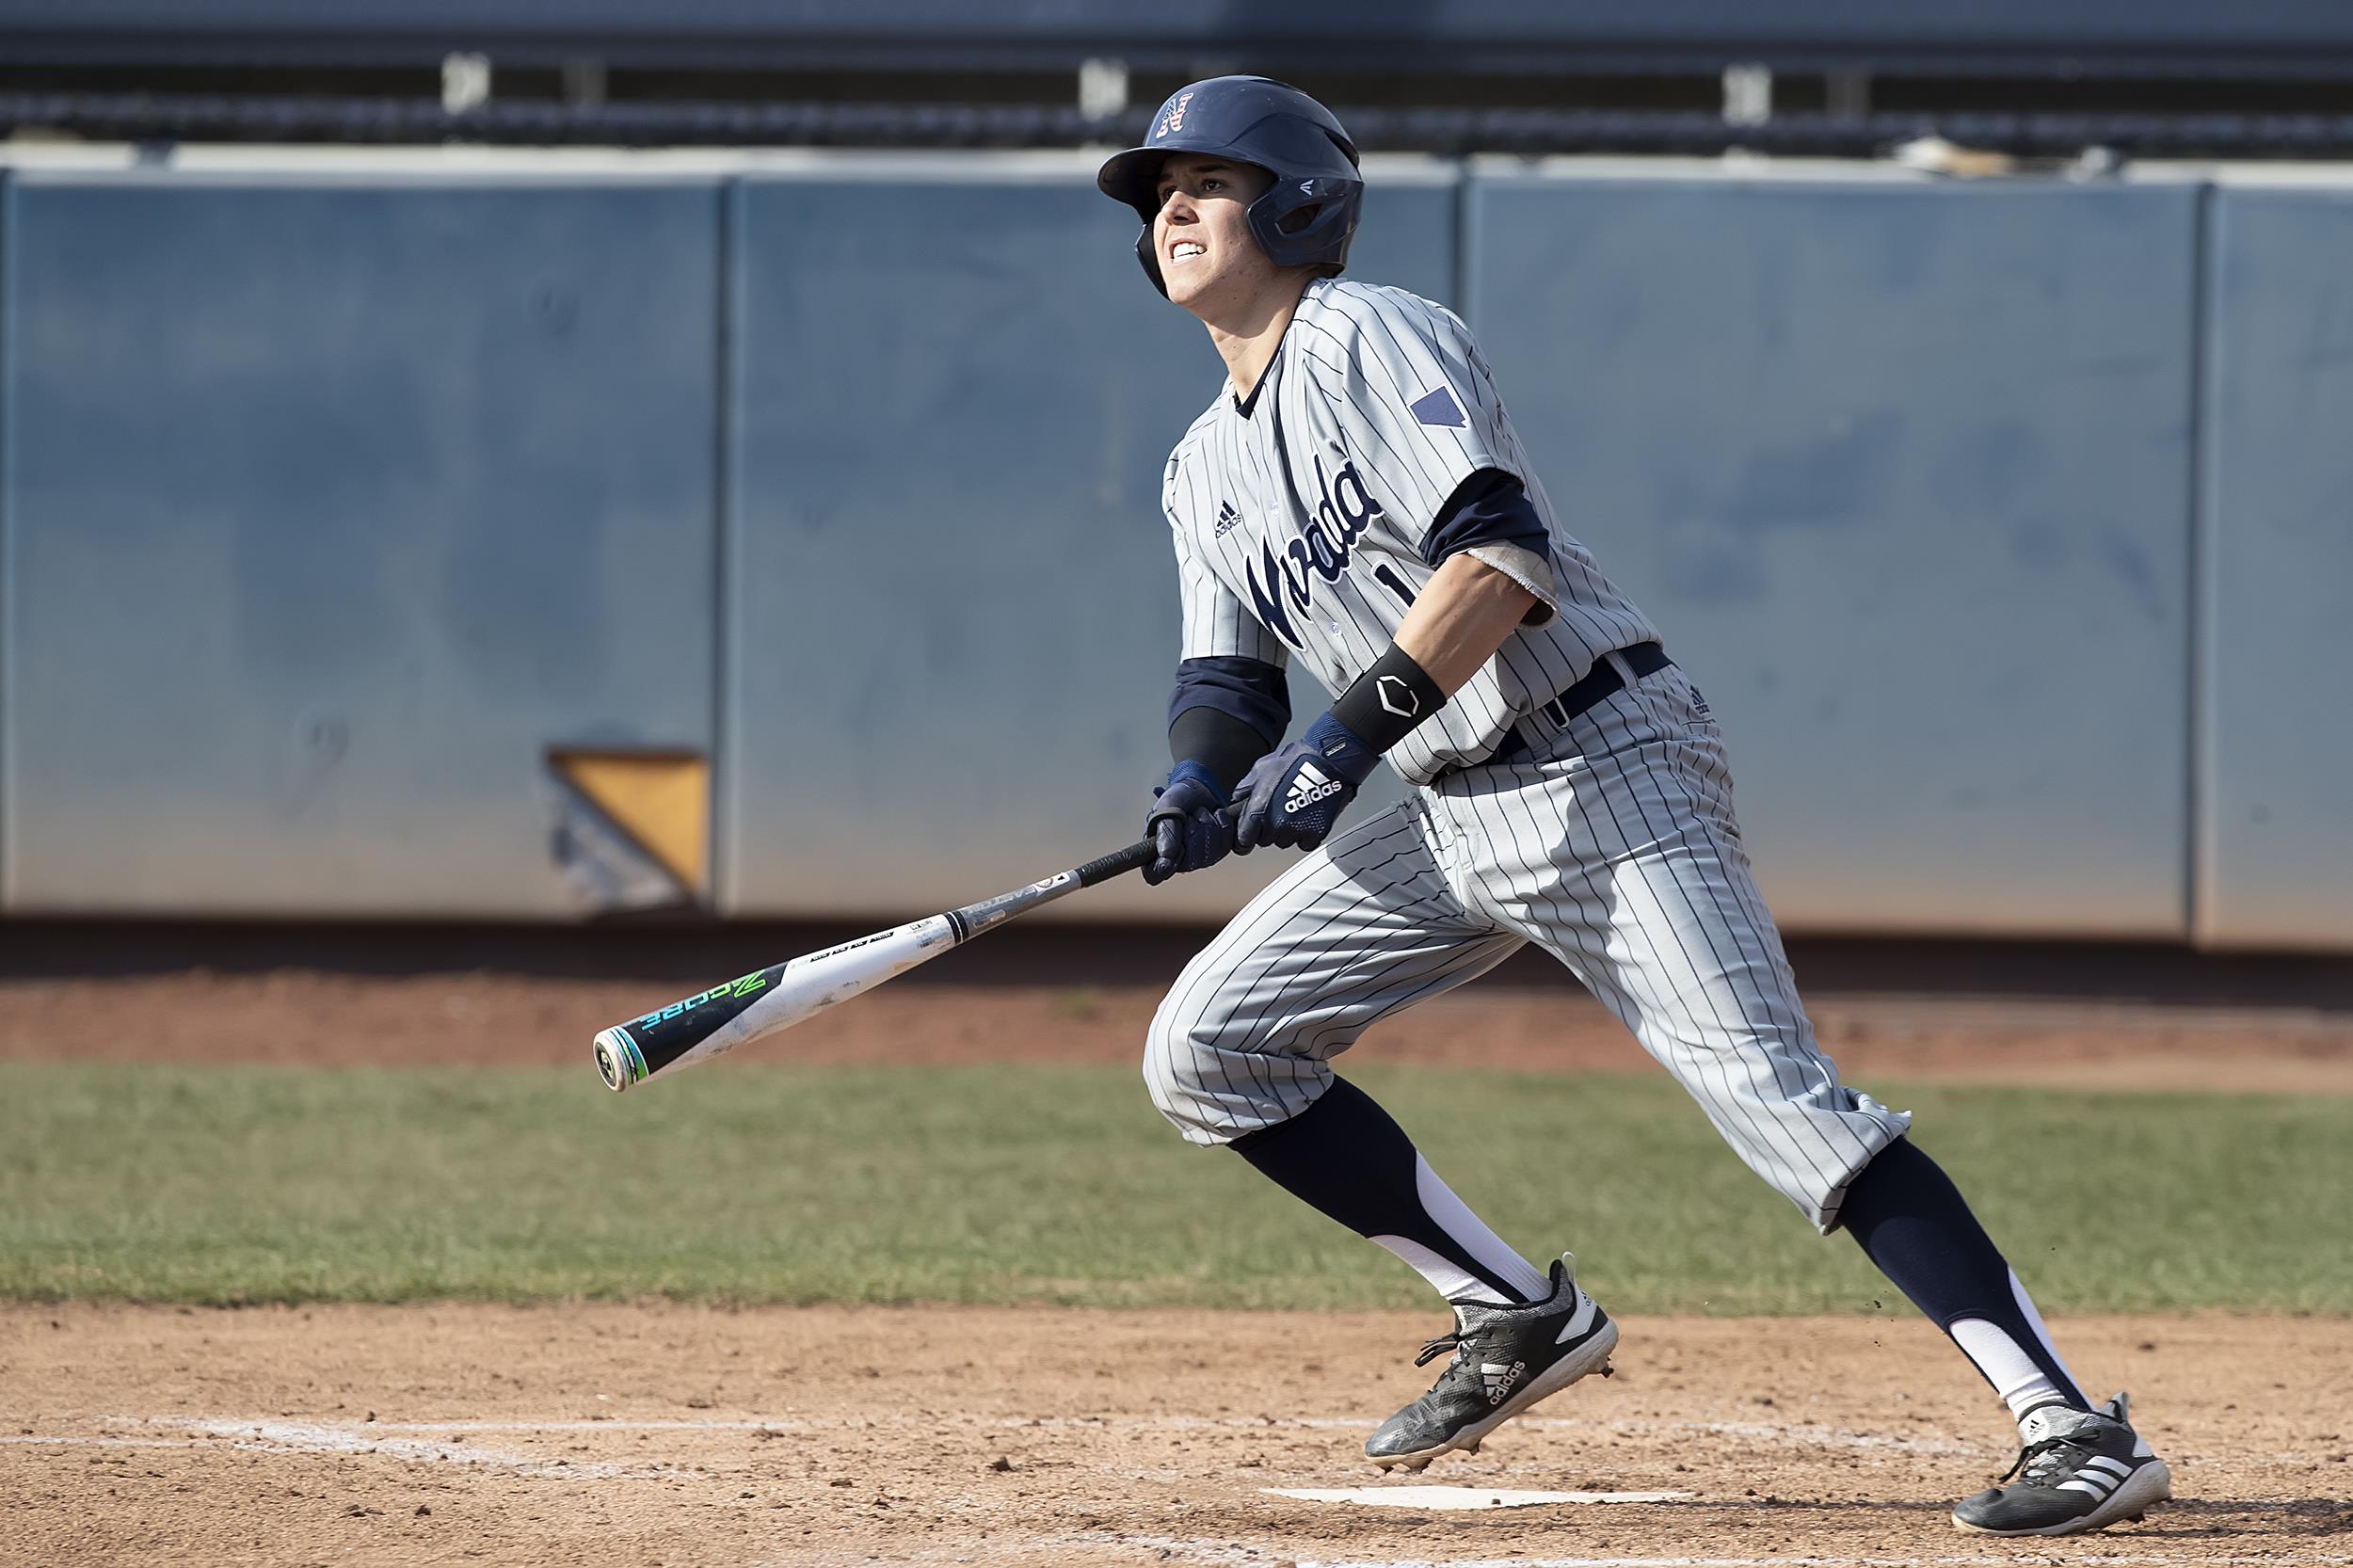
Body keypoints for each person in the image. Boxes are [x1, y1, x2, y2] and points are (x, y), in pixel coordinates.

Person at [1096, 76, 2171, 1538]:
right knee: (1207, 1049)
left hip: (1599, 760)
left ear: (1296, 201)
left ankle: (2075, 1424)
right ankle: (1511, 1311)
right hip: (1435, 805)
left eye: (1207, 178)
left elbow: (1497, 563)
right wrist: (1195, 781)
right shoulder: (1197, 465)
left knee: (1781, 1106)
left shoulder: (1368, 333)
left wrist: (1340, 741)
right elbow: (1227, 674)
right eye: (1157, 186)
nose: (1172, 204)